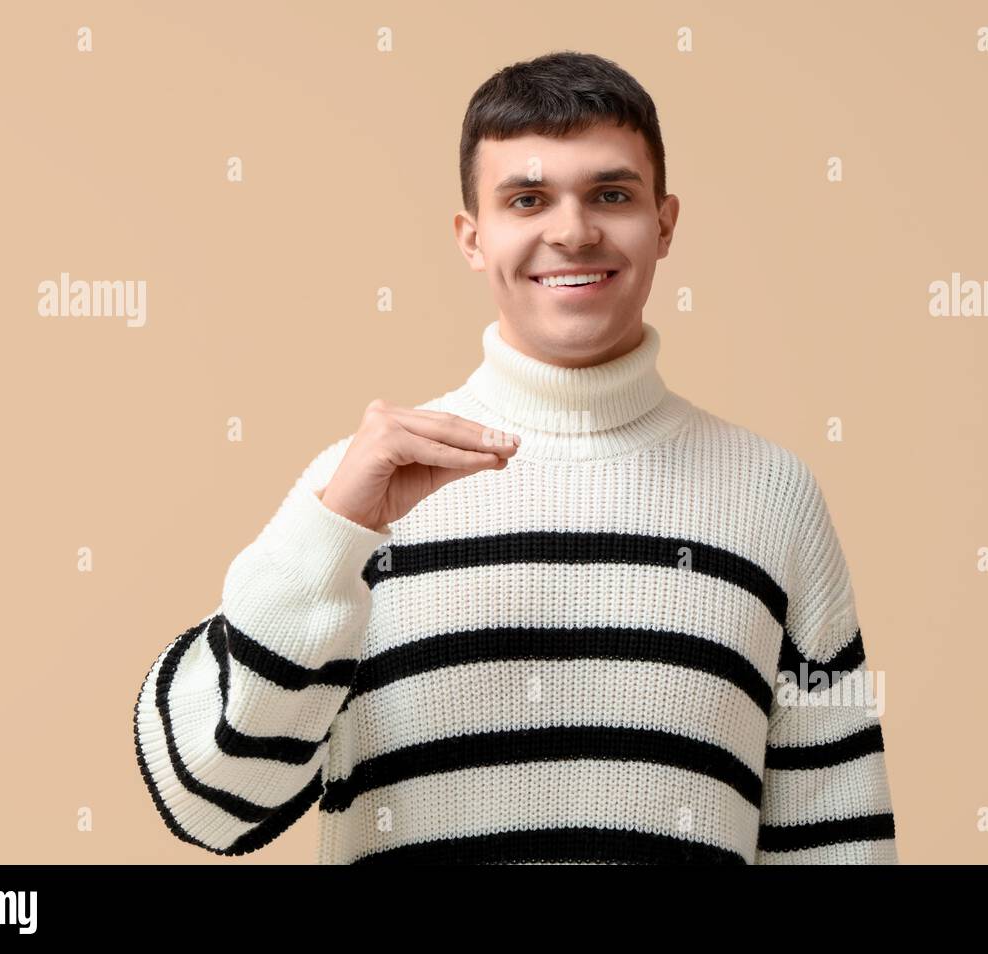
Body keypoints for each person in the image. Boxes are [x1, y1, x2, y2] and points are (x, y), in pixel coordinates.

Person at [132, 50, 898, 864]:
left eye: (611, 194)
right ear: (472, 238)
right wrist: (329, 533)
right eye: (527, 199)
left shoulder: (774, 496)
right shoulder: (357, 494)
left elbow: (836, 838)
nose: (572, 231)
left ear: (665, 224)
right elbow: (209, 801)